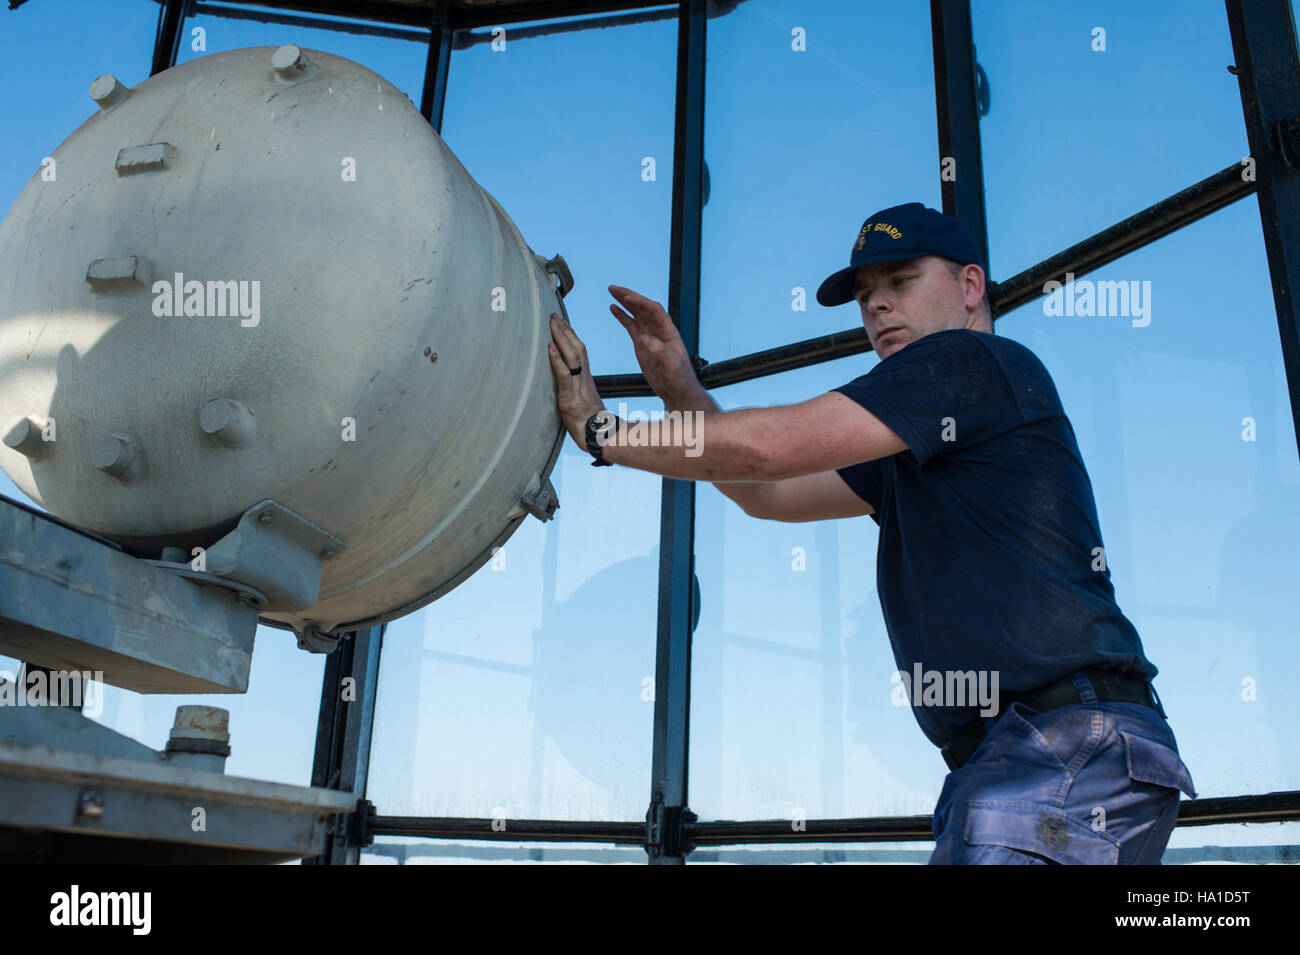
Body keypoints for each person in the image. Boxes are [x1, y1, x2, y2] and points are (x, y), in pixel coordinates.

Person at [546, 201, 1196, 865]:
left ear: (971, 287)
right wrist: (681, 387)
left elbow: (770, 449)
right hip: (1037, 755)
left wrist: (605, 432)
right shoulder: (922, 441)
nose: (878, 307)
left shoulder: (965, 362)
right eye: (865, 295)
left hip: (1060, 747)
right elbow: (763, 492)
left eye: (902, 281)